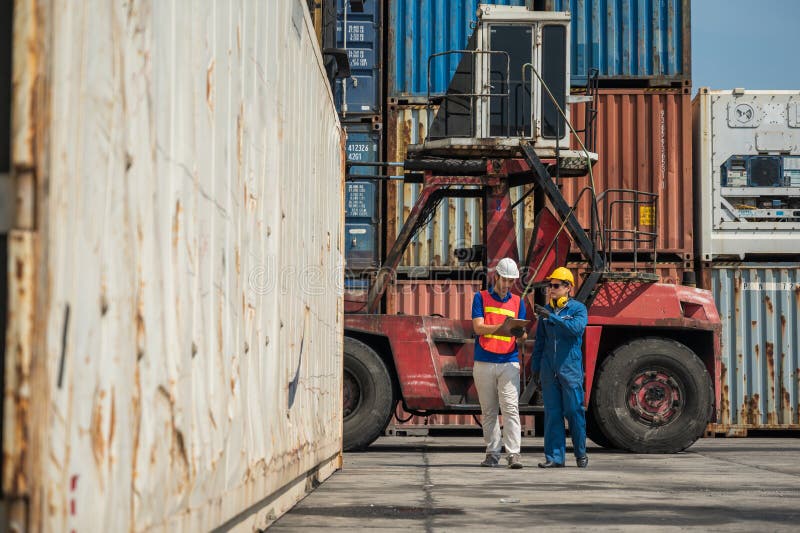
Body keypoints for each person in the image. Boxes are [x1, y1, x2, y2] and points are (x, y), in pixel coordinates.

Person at [471, 257, 527, 469]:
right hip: (484, 361)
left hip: (508, 362)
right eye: (505, 280)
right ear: (496, 277)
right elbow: (478, 328)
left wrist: (521, 334)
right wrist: (502, 328)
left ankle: (513, 454)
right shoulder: (481, 298)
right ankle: (492, 453)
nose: (507, 285)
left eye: (511, 281)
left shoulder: (518, 302)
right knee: (489, 411)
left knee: (511, 409)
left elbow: (522, 336)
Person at [530, 267, 589, 468]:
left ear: (568, 288)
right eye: (550, 285)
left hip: (570, 370)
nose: (551, 289)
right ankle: (555, 458)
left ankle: (580, 453)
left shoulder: (578, 309)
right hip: (549, 370)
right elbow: (540, 342)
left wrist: (552, 317)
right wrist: (535, 368)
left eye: (555, 286)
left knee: (574, 411)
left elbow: (576, 329)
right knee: (552, 414)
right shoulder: (546, 312)